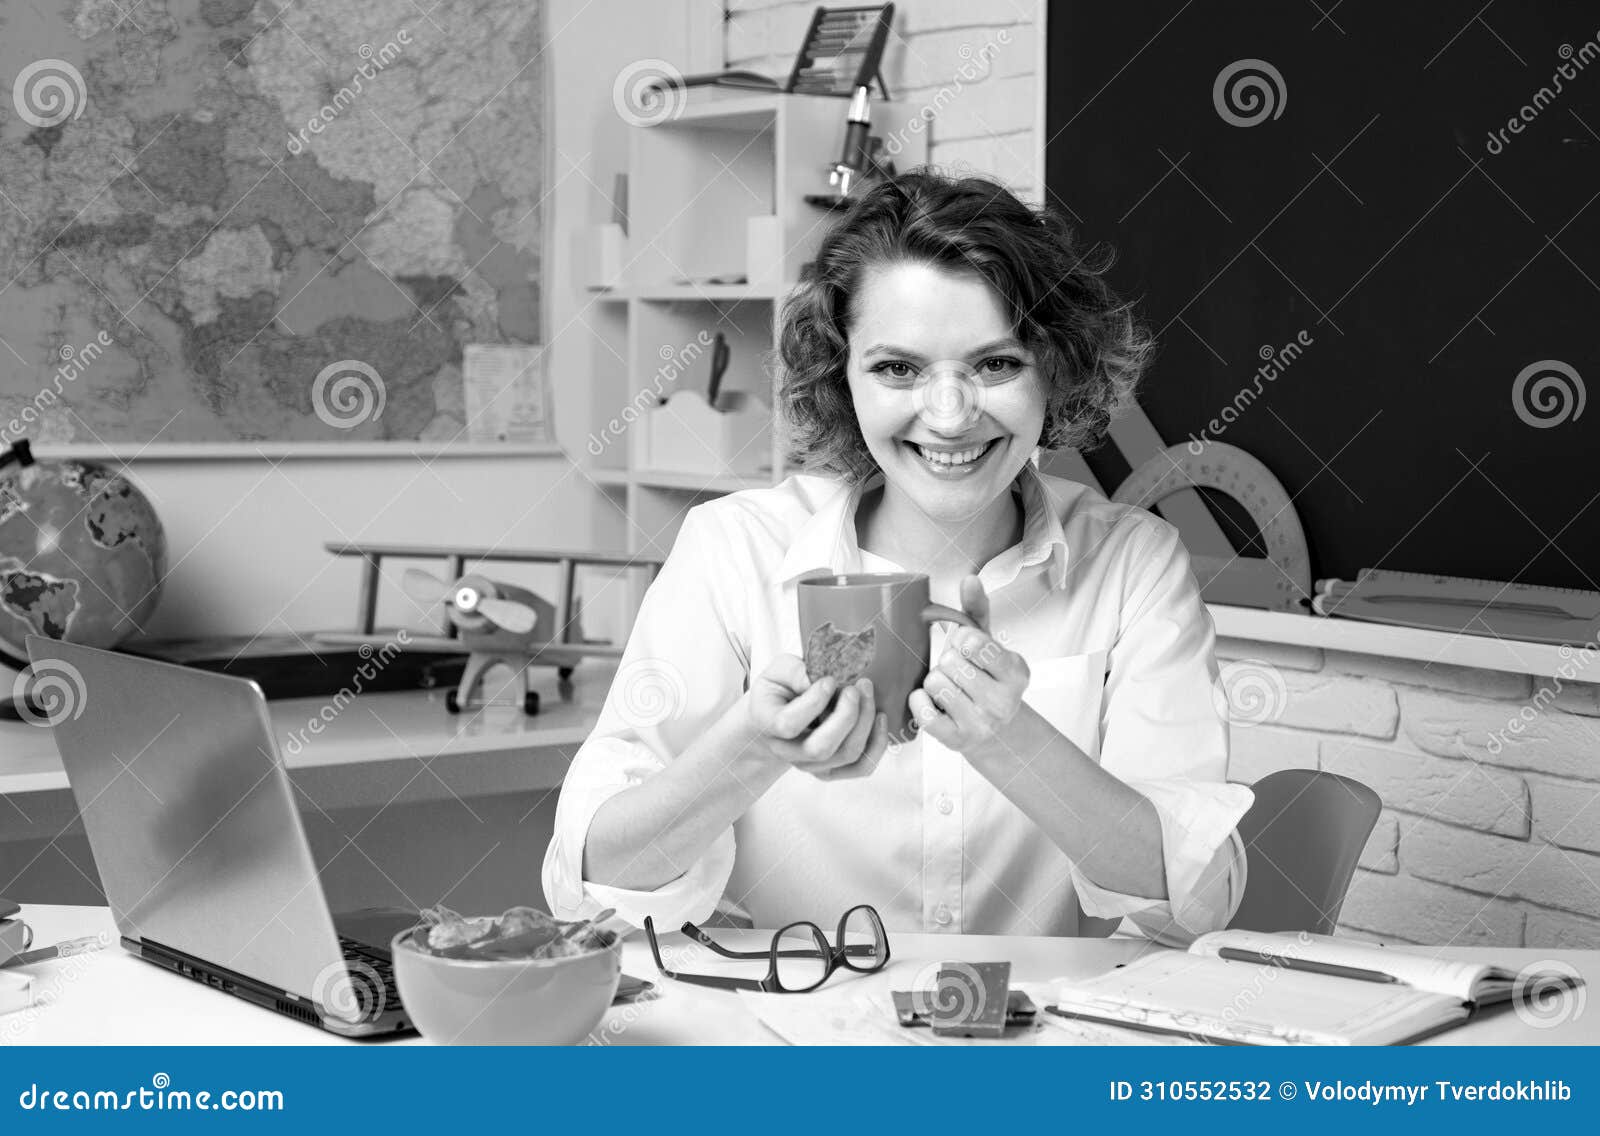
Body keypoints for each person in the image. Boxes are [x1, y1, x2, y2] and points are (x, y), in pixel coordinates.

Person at [544, 170, 1253, 944]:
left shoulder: (1132, 564)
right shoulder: (735, 547)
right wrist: (750, 748)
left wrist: (1012, 741)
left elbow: (1191, 901)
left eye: (995, 365)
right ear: (842, 379)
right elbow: (594, 887)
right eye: (897, 369)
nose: (948, 416)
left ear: (1056, 369)